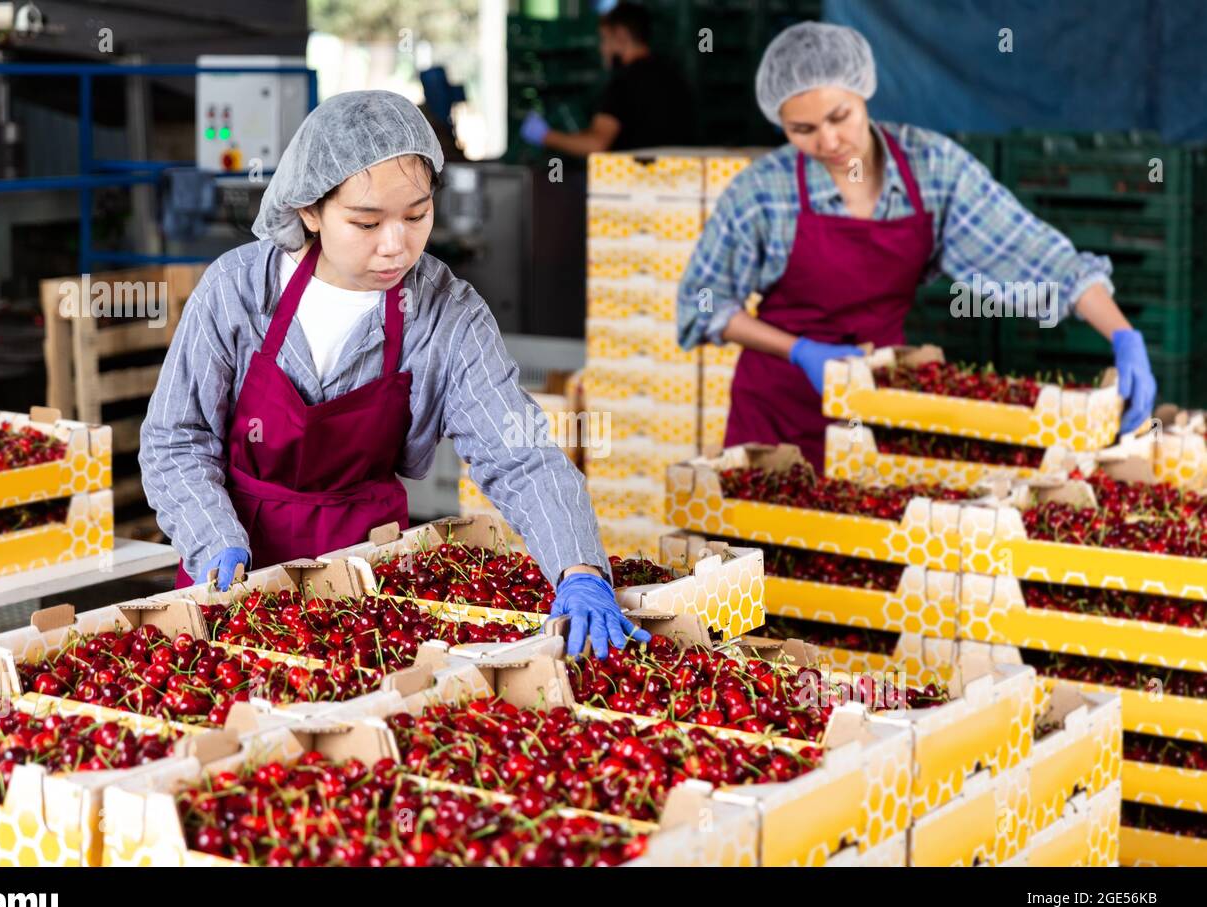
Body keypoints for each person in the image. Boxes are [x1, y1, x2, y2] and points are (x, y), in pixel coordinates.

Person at [139, 91, 646, 658]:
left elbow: (519, 453)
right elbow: (175, 439)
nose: (396, 245)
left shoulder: (445, 313)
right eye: (366, 221)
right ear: (310, 210)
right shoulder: (237, 290)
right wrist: (214, 541)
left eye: (416, 215)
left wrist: (579, 569)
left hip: (370, 588)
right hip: (233, 574)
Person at [676, 22, 1158, 470]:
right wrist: (801, 351)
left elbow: (1037, 258)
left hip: (880, 408)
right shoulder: (763, 191)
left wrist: (1122, 335)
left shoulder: (934, 170)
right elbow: (704, 302)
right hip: (776, 420)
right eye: (802, 130)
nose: (828, 140)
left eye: (839, 116)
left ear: (862, 92)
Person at [519, 1, 697, 155]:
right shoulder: (674, 75)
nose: (602, 49)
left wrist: (546, 136)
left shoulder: (624, 83)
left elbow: (596, 144)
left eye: (604, 39)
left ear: (621, 36)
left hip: (637, 186)